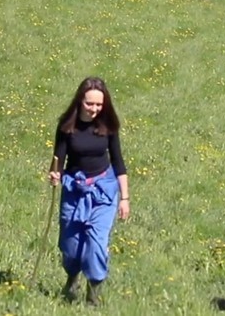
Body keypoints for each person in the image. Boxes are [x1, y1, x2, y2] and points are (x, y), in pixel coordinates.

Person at [48, 76, 131, 306]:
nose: (94, 109)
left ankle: (93, 291)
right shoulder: (66, 126)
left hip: (103, 190)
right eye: (89, 104)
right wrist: (54, 174)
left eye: (98, 104)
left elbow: (119, 162)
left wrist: (124, 198)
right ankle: (72, 277)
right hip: (75, 188)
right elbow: (58, 159)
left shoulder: (108, 126)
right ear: (80, 101)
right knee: (71, 244)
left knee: (96, 242)